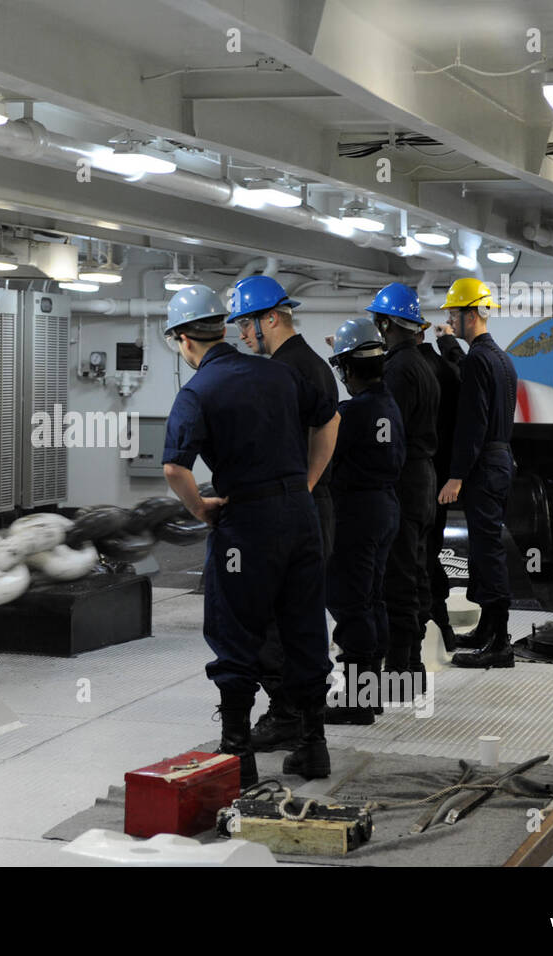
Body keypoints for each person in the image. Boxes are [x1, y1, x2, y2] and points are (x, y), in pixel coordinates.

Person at [162, 284, 338, 785]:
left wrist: (200, 508)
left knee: (236, 630)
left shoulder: (198, 391)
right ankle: (313, 748)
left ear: (183, 340)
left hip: (246, 523)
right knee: (305, 626)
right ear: (222, 328)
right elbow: (329, 419)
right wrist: (305, 484)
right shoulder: (279, 372)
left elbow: (175, 468)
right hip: (300, 518)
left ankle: (238, 755)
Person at [223, 274, 341, 752]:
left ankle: (286, 714)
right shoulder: (308, 363)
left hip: (295, 509)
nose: (241, 335)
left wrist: (303, 487)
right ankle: (304, 722)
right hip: (308, 506)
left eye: (246, 325)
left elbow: (328, 425)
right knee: (299, 615)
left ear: (271, 318)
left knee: (275, 616)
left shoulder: (289, 369)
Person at [324, 317, 405, 725]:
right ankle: (369, 694)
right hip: (386, 507)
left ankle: (355, 702)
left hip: (356, 512)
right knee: (373, 601)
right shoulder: (389, 405)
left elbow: (324, 459)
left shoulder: (350, 413)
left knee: (351, 604)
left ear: (347, 369)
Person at [436, 278, 518, 668]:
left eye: (454, 313)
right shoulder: (502, 358)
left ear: (471, 315)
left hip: (483, 463)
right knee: (486, 546)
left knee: (487, 551)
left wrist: (456, 475)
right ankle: (487, 629)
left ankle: (500, 644)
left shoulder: (477, 361)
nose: (451, 321)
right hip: (500, 459)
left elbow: (472, 423)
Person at [365, 283, 439, 688]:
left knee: (398, 574)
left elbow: (388, 433)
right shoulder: (422, 364)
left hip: (404, 478)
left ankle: (400, 668)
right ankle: (412, 662)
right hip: (423, 477)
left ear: (387, 324)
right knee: (415, 570)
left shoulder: (396, 370)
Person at [419, 323, 464, 648]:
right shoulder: (447, 368)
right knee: (430, 549)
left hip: (414, 478)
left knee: (413, 555)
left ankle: (415, 634)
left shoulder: (404, 369)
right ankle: (442, 624)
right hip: (441, 475)